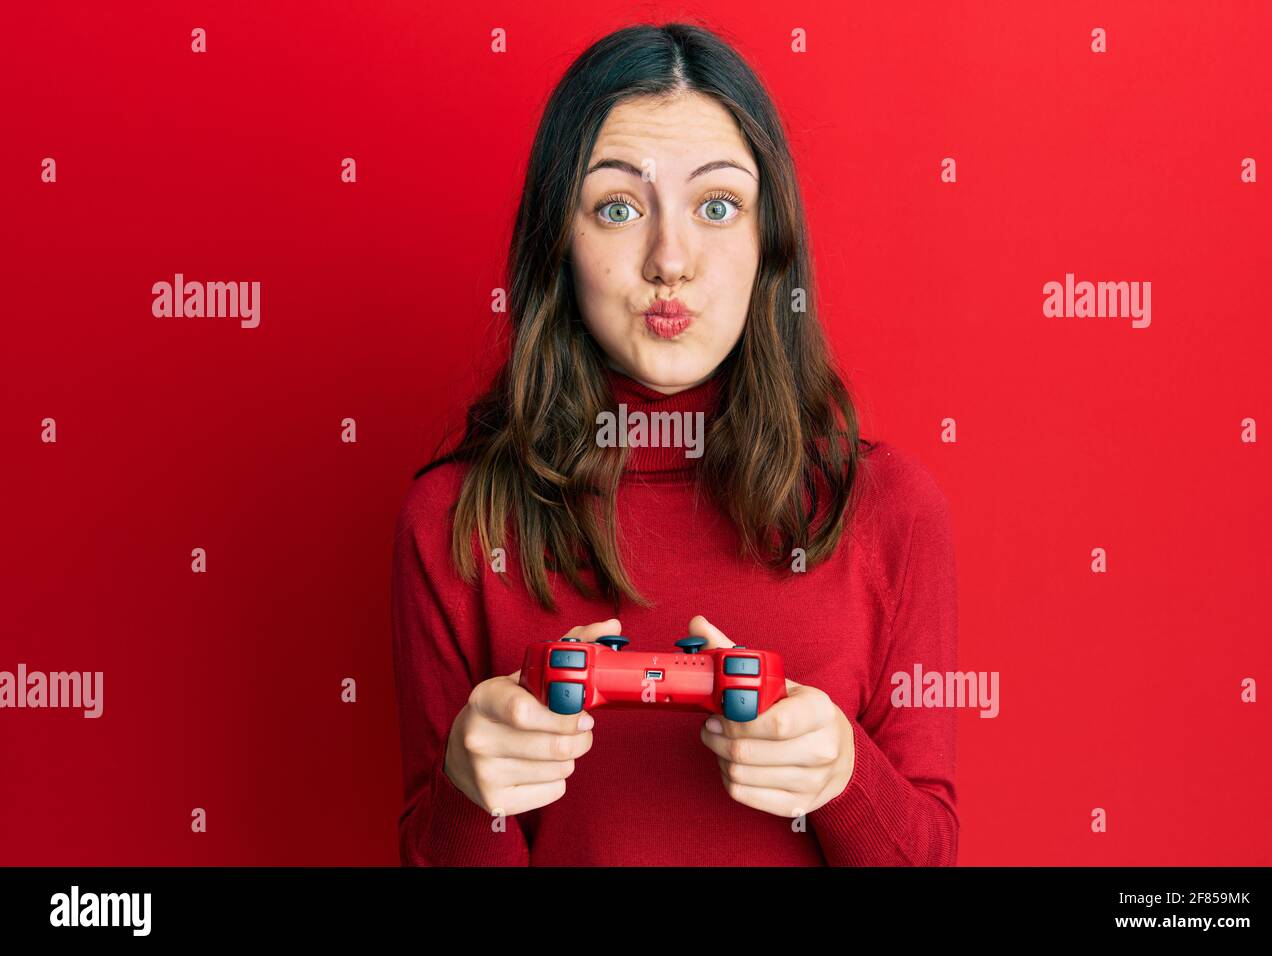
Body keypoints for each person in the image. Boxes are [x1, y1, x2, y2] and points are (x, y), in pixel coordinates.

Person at [390, 22, 958, 866]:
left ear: (771, 244)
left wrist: (844, 778)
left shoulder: (889, 510)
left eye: (718, 206)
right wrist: (471, 797)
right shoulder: (452, 521)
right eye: (617, 208)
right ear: (559, 242)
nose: (669, 260)